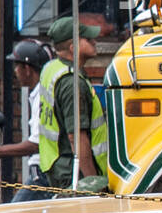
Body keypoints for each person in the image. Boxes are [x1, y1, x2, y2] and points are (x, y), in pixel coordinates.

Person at [0, 39, 53, 201]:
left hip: (43, 175)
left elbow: (35, 145)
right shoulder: (38, 94)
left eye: (17, 66)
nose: (15, 71)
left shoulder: (43, 95)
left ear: (27, 69)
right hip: (41, 172)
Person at [38, 16, 109, 191]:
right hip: (74, 173)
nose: (94, 41)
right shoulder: (72, 83)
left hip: (58, 165)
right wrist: (93, 183)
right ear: (73, 47)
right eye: (87, 39)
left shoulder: (52, 68)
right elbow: (76, 138)